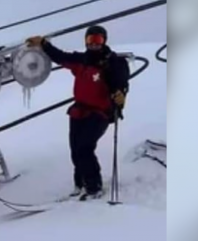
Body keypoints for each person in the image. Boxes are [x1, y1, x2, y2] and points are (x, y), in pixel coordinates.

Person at [25, 25, 129, 200]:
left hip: (100, 113)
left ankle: (94, 187)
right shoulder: (82, 60)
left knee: (84, 148)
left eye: (98, 40)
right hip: (79, 111)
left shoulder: (113, 62)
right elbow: (61, 57)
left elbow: (121, 80)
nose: (94, 44)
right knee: (75, 150)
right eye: (90, 40)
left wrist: (121, 94)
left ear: (104, 41)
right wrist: (43, 43)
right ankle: (80, 184)